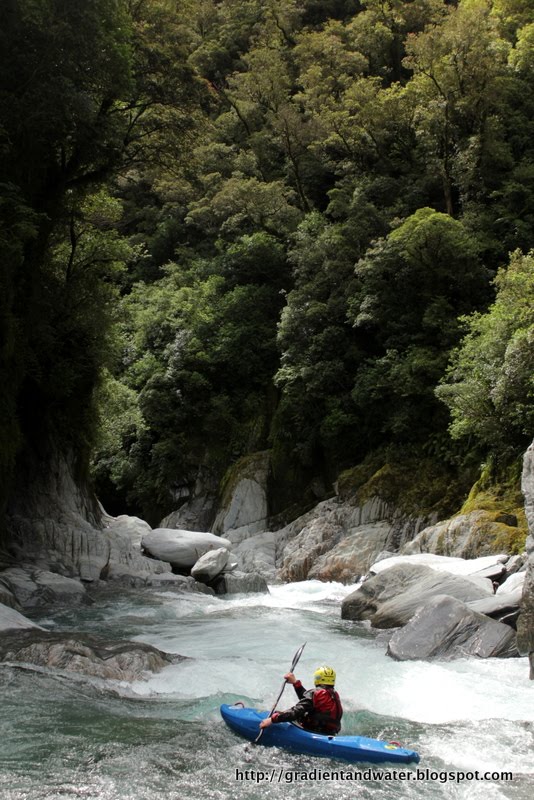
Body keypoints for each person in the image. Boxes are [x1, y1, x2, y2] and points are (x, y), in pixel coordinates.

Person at [258, 665, 343, 735]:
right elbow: (307, 700)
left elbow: (296, 712)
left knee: (280, 714)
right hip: (329, 733)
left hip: (312, 731)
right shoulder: (334, 694)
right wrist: (295, 683)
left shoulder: (315, 693)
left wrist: (272, 719)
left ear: (318, 678)